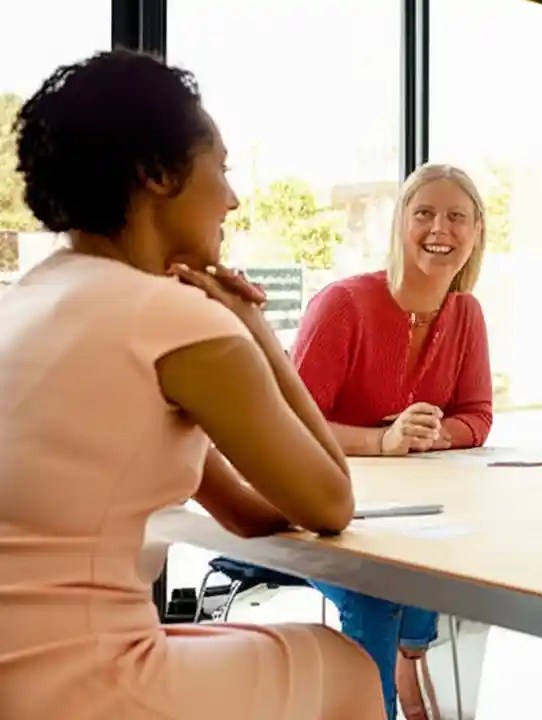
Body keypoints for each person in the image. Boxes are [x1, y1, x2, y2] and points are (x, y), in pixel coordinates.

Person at [0, 50, 382, 719]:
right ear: (156, 173)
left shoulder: (28, 300)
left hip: (23, 665)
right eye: (222, 167)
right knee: (343, 665)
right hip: (76, 683)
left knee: (257, 642)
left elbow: (247, 511)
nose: (232, 198)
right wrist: (257, 331)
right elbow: (330, 501)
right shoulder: (173, 319)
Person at [290, 163, 493, 719]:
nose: (439, 229)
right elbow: (292, 425)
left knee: (450, 577)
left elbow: (477, 416)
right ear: (399, 223)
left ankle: (416, 679)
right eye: (424, 213)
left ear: (477, 231)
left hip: (410, 514)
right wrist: (383, 441)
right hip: (320, 509)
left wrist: (430, 435)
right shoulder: (343, 305)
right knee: (379, 594)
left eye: (457, 217)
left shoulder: (466, 313)